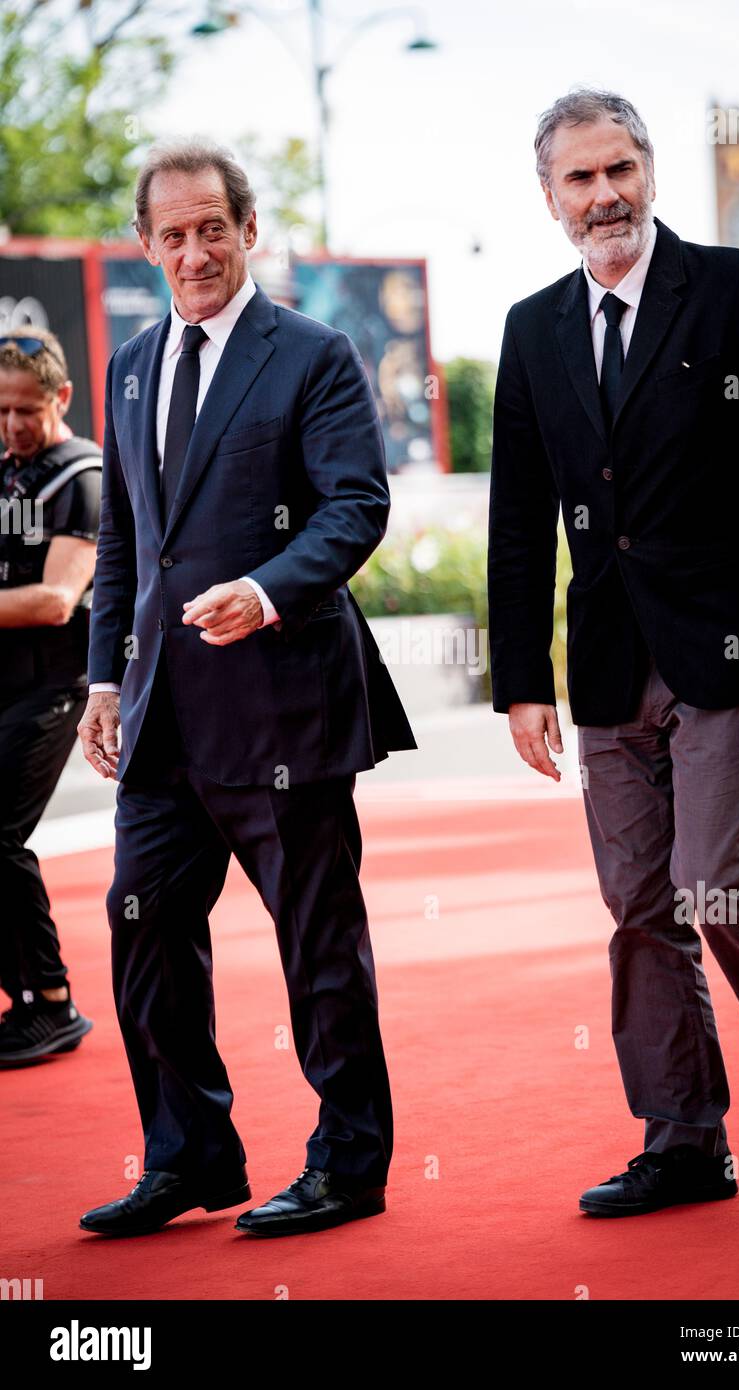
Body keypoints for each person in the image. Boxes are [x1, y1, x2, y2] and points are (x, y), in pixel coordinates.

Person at [487, 87, 739, 1217]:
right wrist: (519, 681)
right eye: (578, 178)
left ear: (647, 172)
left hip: (733, 651)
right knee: (639, 905)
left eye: (618, 170)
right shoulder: (530, 328)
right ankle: (683, 1139)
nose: (601, 195)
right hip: (605, 660)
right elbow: (517, 521)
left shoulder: (736, 287)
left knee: (720, 889)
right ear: (547, 196)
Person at [76, 138, 416, 1238]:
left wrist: (266, 590)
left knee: (317, 945)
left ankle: (347, 1162)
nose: (193, 251)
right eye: (170, 233)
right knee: (144, 928)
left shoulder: (314, 352)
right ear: (145, 245)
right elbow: (124, 542)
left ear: (247, 229)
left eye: (210, 227)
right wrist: (100, 677)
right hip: (162, 714)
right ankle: (184, 1155)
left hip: (284, 700)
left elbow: (354, 506)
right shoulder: (130, 364)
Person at [0, 327, 99, 1066]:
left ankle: (52, 1001)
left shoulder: (84, 474)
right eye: (0, 412)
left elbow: (57, 600)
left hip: (56, 686)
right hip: (7, 684)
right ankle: (26, 998)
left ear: (60, 398)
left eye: (26, 411)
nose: (12, 426)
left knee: (0, 835)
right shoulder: (6, 471)